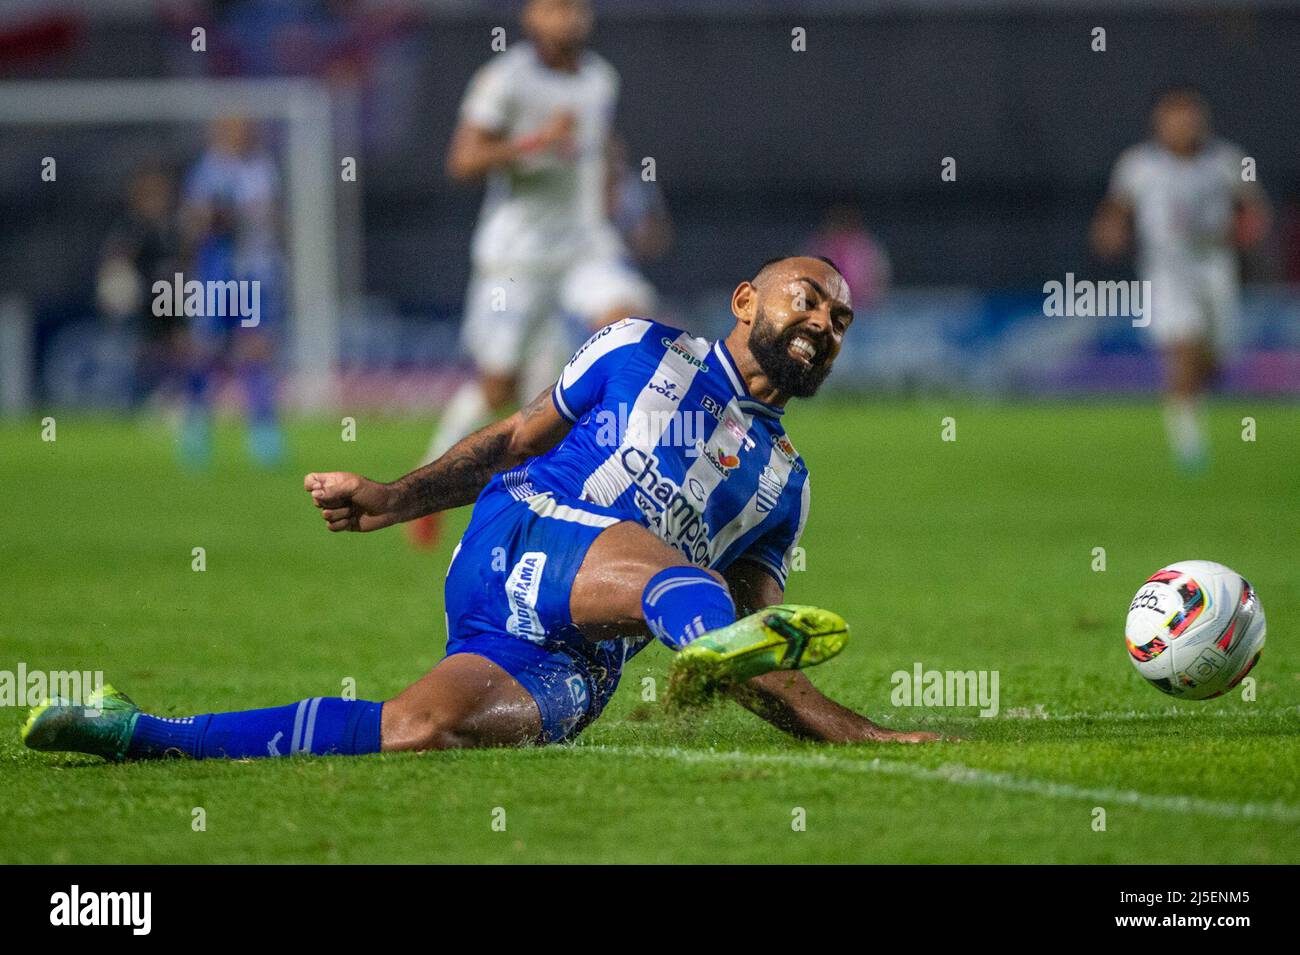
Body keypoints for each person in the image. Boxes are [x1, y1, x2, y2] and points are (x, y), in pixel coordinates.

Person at [22, 256, 938, 762]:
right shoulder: (636, 348)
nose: (823, 321)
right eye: (807, 297)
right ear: (746, 298)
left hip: (577, 650)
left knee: (416, 729)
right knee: (682, 580)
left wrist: (850, 727)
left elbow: (758, 641)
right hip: (522, 531)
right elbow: (515, 439)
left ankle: (133, 731)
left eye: (841, 321)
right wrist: (394, 495)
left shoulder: (788, 489)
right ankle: (685, 625)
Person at [409, 0, 655, 547]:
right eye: (553, 9)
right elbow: (462, 160)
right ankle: (431, 486)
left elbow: (600, 147)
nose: (564, 19)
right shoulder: (505, 78)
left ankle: (627, 486)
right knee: (501, 387)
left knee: (634, 329)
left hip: (583, 244)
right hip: (517, 254)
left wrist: (628, 200)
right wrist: (534, 142)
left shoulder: (599, 79)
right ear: (530, 17)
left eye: (574, 9)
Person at [1091, 84, 1270, 472]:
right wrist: (1110, 231)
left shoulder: (1227, 160)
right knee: (1183, 345)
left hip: (1215, 265)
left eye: (1188, 118)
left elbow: (1254, 208)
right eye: (1173, 119)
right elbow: (1117, 209)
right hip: (1166, 268)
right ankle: (1188, 444)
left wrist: (1249, 231)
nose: (1181, 127)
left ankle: (1191, 399)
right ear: (1159, 123)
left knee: (1216, 357)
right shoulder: (1138, 164)